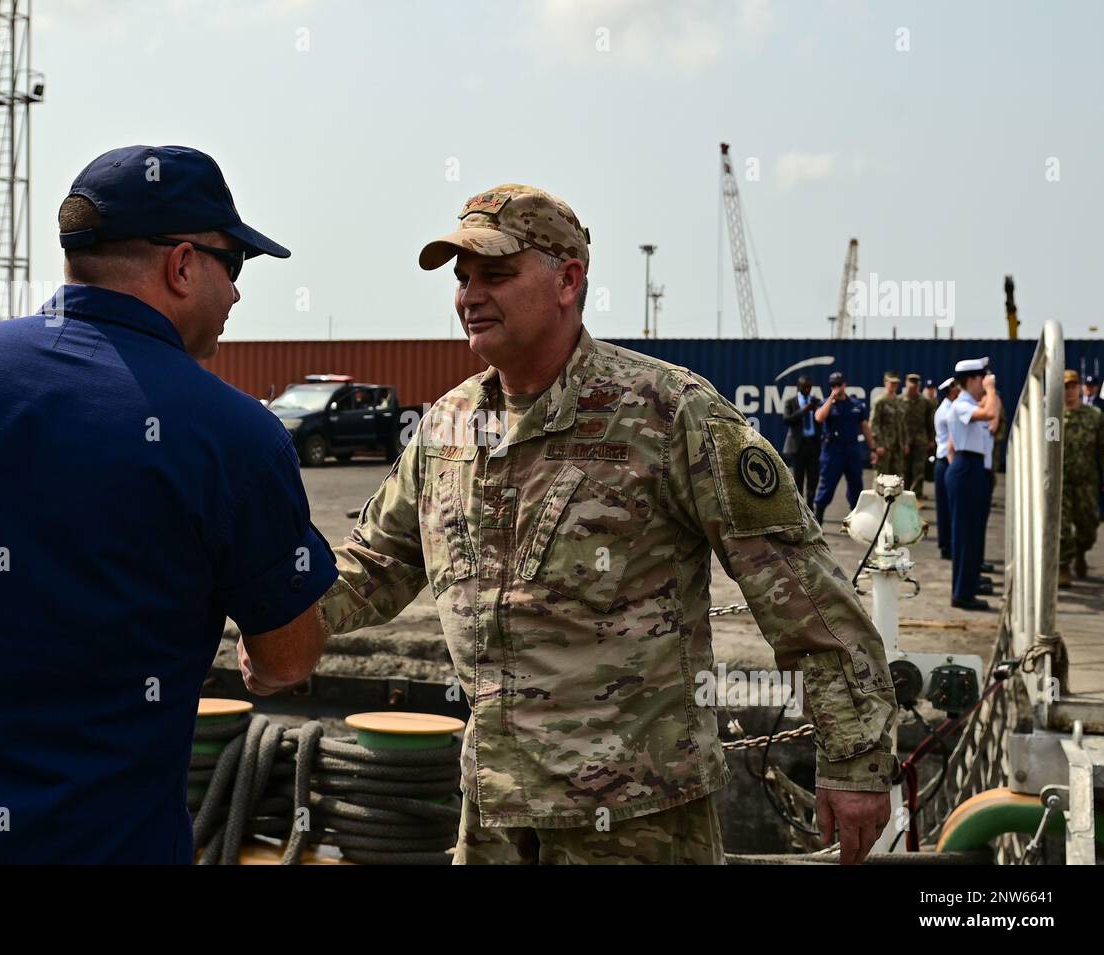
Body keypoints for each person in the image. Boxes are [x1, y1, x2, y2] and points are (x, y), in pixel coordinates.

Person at [316, 184, 896, 865]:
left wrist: (854, 760)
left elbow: (807, 597)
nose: (470, 295)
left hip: (637, 822)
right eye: (462, 277)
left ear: (568, 280)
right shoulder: (447, 428)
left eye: (496, 273)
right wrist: (276, 613)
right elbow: (375, 565)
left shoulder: (670, 413)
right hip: (495, 818)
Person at [0, 145, 339, 863]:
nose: (237, 294)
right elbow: (287, 655)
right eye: (233, 266)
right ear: (181, 265)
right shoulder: (237, 437)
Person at [945, 358, 1001, 610]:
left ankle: (967, 586)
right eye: (982, 378)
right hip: (966, 467)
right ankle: (962, 593)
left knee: (972, 532)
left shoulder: (969, 403)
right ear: (971, 380)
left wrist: (991, 391)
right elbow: (989, 413)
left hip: (973, 467)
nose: (985, 382)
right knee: (965, 535)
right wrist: (991, 391)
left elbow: (993, 417)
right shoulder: (960, 406)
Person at [813, 371, 875, 526]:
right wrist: (831, 398)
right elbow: (819, 417)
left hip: (851, 451)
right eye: (833, 385)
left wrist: (873, 448)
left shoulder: (855, 405)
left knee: (856, 486)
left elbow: (865, 427)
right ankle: (818, 521)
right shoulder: (826, 403)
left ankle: (856, 522)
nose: (836, 388)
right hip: (832, 451)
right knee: (827, 486)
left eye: (839, 384)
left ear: (845, 384)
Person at [1059, 370, 1104, 585]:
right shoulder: (1053, 417)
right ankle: (1063, 566)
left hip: (1087, 481)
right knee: (1061, 527)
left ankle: (1080, 553)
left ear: (1079, 388)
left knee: (1089, 528)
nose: (1069, 391)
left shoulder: (1095, 416)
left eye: (1073, 386)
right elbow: (1047, 449)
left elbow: (1102, 449)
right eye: (1065, 387)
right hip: (1062, 482)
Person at [782, 375, 822, 507]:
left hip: (813, 445)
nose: (807, 389)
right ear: (798, 388)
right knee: (798, 480)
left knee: (813, 480)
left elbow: (823, 420)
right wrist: (803, 411)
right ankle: (799, 508)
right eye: (804, 387)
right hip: (798, 446)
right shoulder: (791, 402)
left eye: (809, 387)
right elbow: (787, 419)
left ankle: (810, 507)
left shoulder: (816, 401)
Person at [933, 377, 959, 560]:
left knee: (948, 507)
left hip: (944, 462)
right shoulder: (948, 412)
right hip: (946, 462)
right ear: (951, 390)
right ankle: (947, 547)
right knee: (947, 508)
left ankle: (948, 545)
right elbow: (953, 443)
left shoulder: (948, 408)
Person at [900, 373, 934, 499]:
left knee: (918, 471)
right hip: (905, 442)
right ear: (906, 384)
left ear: (919, 386)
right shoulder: (900, 401)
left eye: (915, 384)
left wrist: (931, 439)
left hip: (921, 441)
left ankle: (916, 497)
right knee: (904, 471)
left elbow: (929, 422)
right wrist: (902, 442)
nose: (913, 387)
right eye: (911, 384)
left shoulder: (925, 402)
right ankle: (903, 496)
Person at [870, 371, 906, 479]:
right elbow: (874, 424)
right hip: (884, 446)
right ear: (885, 383)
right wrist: (878, 444)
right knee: (881, 477)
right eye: (891, 383)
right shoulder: (879, 401)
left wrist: (905, 442)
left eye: (896, 383)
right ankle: (879, 497)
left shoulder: (899, 401)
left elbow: (902, 423)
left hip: (897, 445)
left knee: (897, 477)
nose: (894, 386)